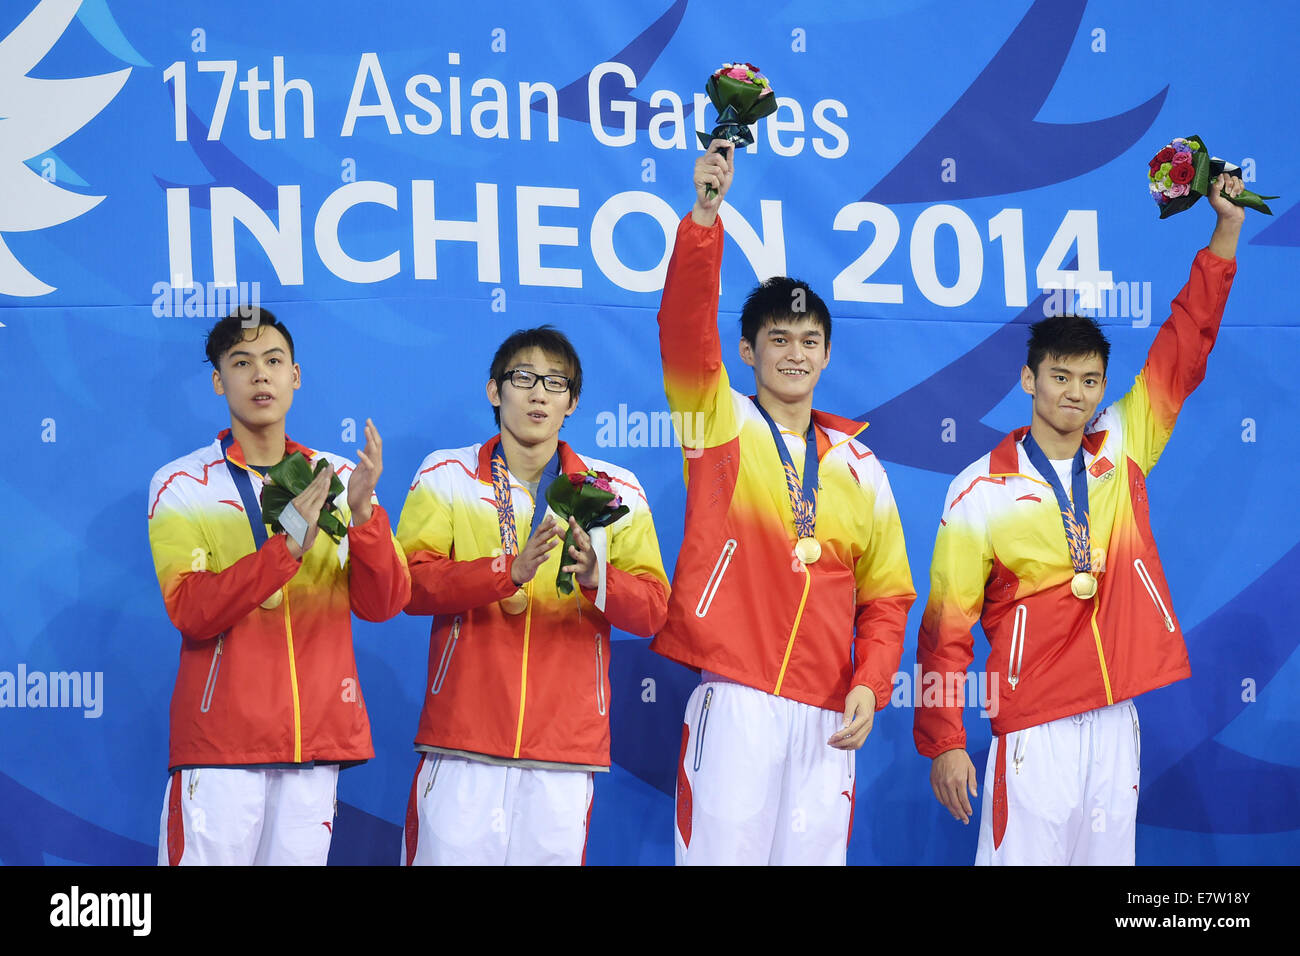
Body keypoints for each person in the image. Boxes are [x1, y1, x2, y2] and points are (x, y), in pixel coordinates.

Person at [914, 174, 1246, 865]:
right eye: (1060, 377)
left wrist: (1225, 234)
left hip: (1116, 717)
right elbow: (946, 630)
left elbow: (1184, 350)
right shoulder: (979, 490)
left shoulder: (1123, 448)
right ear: (1030, 380)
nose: (1076, 393)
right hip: (1035, 729)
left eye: (1090, 380)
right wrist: (945, 738)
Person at [650, 142, 916, 865]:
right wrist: (705, 217)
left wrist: (870, 683)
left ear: (827, 354)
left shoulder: (861, 466)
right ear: (747, 352)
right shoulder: (720, 423)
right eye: (777, 339)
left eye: (809, 340)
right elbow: (681, 333)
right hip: (737, 698)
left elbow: (887, 599)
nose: (794, 353)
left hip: (829, 713)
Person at [146, 308, 411, 865]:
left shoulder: (337, 477)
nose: (259, 375)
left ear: (296, 376)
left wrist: (364, 517)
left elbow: (383, 604)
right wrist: (285, 547)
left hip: (313, 745)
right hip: (221, 748)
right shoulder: (181, 484)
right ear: (219, 381)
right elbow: (192, 610)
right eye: (241, 363)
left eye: (273, 361)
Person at [396, 326, 669, 865]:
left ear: (572, 402)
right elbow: (411, 584)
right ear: (495, 390)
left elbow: (655, 609)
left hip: (563, 750)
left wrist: (599, 581)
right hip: (463, 743)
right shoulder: (446, 474)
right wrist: (504, 572)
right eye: (523, 378)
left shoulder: (615, 490)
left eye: (554, 382)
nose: (538, 393)